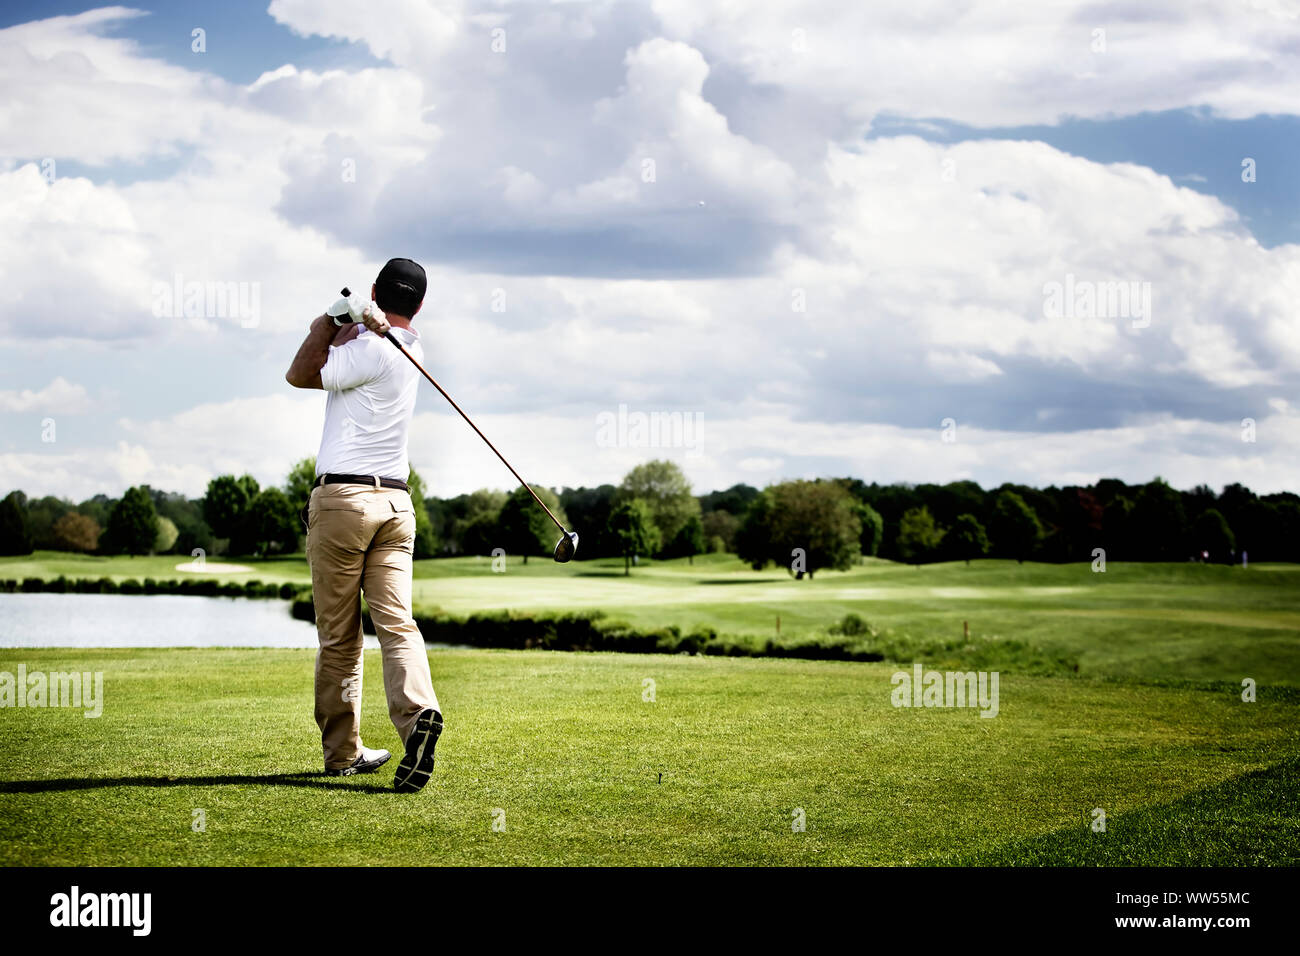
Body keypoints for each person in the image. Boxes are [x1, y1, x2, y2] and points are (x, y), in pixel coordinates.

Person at [285, 257, 442, 793]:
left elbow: (300, 373)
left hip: (343, 501)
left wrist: (331, 316)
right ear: (419, 305)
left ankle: (343, 753)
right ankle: (419, 714)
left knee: (339, 637)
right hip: (396, 506)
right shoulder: (412, 350)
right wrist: (360, 319)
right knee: (397, 624)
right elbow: (365, 336)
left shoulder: (369, 348)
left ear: (376, 290)